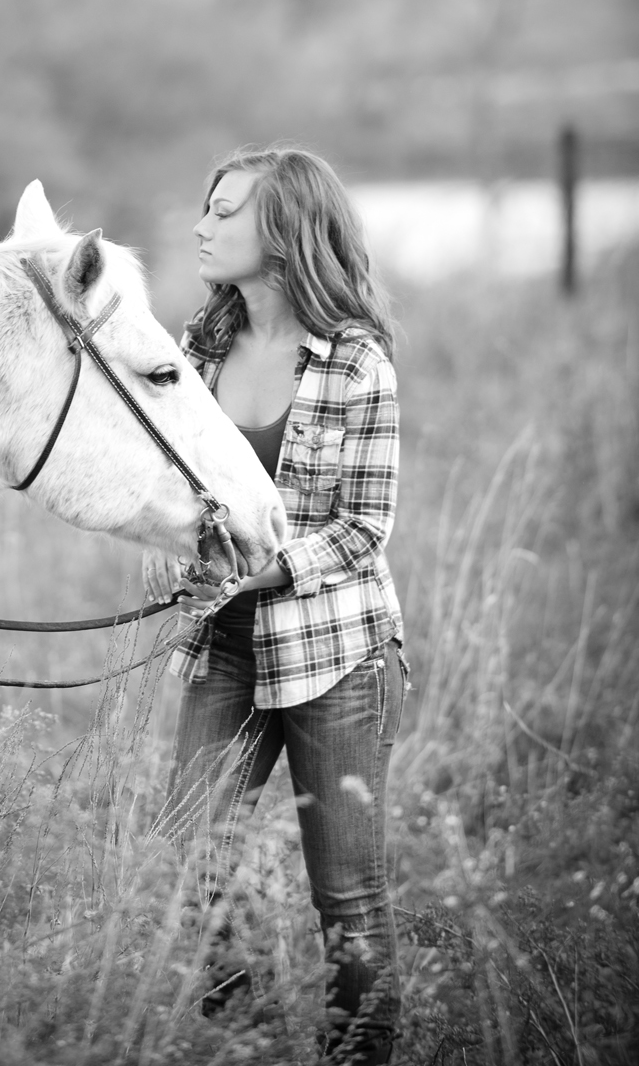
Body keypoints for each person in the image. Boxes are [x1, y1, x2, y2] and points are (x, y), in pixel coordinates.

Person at [144, 145, 407, 1065]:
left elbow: (364, 527)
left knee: (346, 894)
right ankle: (239, 1037)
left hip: (334, 655)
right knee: (193, 863)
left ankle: (358, 1051)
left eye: (223, 211)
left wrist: (268, 570)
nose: (200, 226)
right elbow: (168, 494)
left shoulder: (354, 363)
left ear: (285, 227)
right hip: (222, 646)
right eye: (204, 209)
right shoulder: (195, 349)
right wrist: (172, 564)